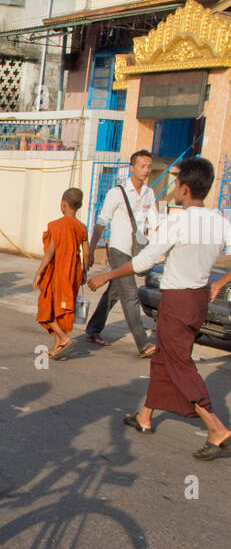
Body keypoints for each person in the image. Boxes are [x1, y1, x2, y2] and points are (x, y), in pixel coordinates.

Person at [88, 157, 231, 459]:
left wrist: (106, 275)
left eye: (177, 182)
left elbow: (144, 262)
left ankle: (215, 427)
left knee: (179, 363)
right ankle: (145, 417)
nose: (174, 187)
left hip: (178, 300)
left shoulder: (178, 221)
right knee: (165, 356)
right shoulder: (218, 220)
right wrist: (221, 282)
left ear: (186, 188)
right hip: (198, 299)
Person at [86, 149, 159, 357]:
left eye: (149, 166)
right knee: (130, 294)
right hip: (118, 249)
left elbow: (155, 224)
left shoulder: (149, 193)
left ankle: (93, 329)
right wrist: (91, 251)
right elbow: (101, 222)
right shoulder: (116, 192)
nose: (146, 170)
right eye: (142, 166)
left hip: (137, 252)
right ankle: (143, 344)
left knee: (115, 291)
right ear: (132, 167)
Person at [34, 187, 87, 360]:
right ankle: (58, 347)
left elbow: (50, 253)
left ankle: (64, 338)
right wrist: (84, 271)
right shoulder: (81, 227)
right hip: (74, 274)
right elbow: (87, 253)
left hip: (58, 274)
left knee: (46, 309)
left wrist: (39, 273)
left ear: (63, 205)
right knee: (61, 310)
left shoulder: (57, 226)